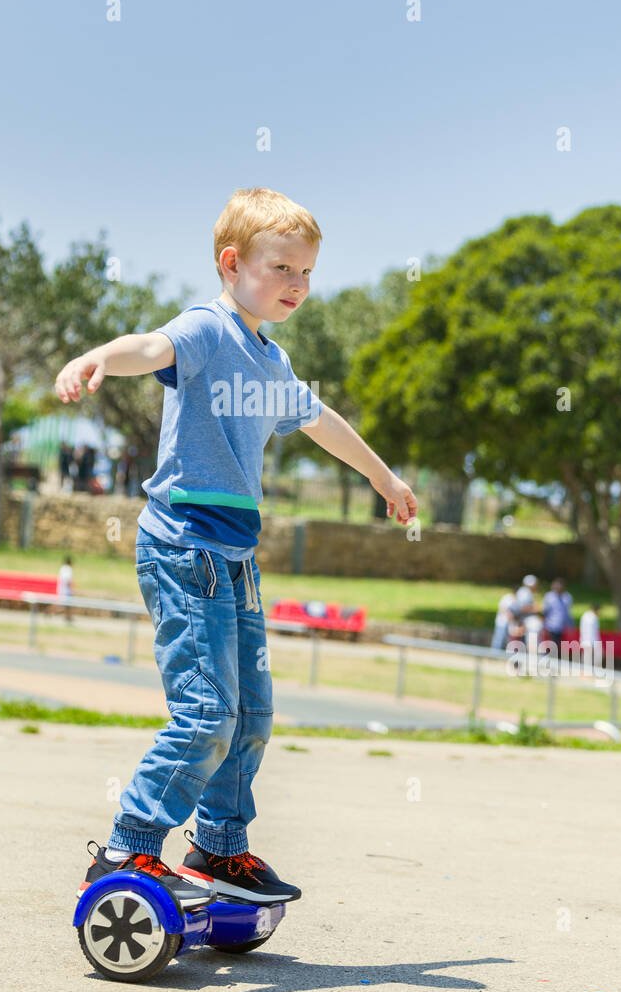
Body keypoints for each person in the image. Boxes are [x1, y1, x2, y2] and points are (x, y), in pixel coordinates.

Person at [54, 186, 419, 907]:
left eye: (307, 273)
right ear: (232, 263)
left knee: (250, 715)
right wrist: (98, 355)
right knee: (206, 715)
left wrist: (383, 476)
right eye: (283, 268)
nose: (298, 285)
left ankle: (219, 849)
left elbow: (320, 422)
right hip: (184, 547)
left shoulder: (269, 360)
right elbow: (150, 348)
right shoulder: (207, 329)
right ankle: (128, 848)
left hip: (235, 559)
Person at [542, 577, 574, 657]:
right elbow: (545, 612)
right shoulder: (549, 596)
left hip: (562, 626)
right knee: (552, 644)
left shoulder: (567, 597)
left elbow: (568, 613)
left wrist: (570, 625)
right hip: (551, 625)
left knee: (559, 645)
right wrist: (544, 625)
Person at [579, 602, 601, 675]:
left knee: (587, 657)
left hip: (585, 640)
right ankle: (587, 672)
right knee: (589, 657)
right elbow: (592, 632)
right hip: (590, 640)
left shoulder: (585, 615)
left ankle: (587, 671)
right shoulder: (593, 618)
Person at [57, 555, 74, 625]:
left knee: (66, 605)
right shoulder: (68, 569)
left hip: (61, 589)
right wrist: (71, 589)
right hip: (66, 590)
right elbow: (68, 580)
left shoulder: (62, 568)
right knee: (65, 605)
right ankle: (48, 611)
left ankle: (68, 617)